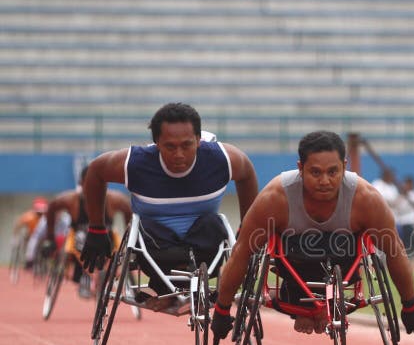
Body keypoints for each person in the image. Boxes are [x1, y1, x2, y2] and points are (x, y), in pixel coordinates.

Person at [211, 130, 414, 345]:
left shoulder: (365, 199)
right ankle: (301, 303)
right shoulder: (276, 197)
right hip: (294, 266)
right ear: (300, 168)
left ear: (344, 166)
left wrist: (410, 304)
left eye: (333, 172)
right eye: (315, 173)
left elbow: (394, 250)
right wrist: (222, 307)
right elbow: (242, 252)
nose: (325, 181)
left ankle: (319, 306)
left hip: (344, 265)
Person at [78, 102, 259, 303]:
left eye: (186, 145)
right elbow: (95, 172)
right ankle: (163, 283)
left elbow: (247, 174)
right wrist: (96, 229)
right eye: (170, 146)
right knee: (145, 225)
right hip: (155, 250)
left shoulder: (222, 159)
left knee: (214, 222)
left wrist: (246, 230)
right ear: (156, 143)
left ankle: (173, 285)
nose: (179, 154)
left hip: (206, 252)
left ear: (199, 140)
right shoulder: (136, 163)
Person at [41, 166, 132, 298]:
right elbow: (52, 207)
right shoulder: (71, 200)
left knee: (112, 240)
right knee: (80, 237)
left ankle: (107, 275)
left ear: (105, 186)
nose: (94, 190)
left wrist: (129, 237)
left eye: (99, 185)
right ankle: (85, 277)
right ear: (82, 185)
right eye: (90, 185)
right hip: (79, 241)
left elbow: (128, 211)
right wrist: (50, 238)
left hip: (106, 239)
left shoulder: (114, 200)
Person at [12, 197, 48, 268]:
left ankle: (44, 259)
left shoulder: (46, 217)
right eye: (39, 212)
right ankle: (29, 260)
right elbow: (18, 225)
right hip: (31, 235)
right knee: (30, 243)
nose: (40, 214)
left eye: (42, 212)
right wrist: (15, 237)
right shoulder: (29, 216)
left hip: (43, 236)